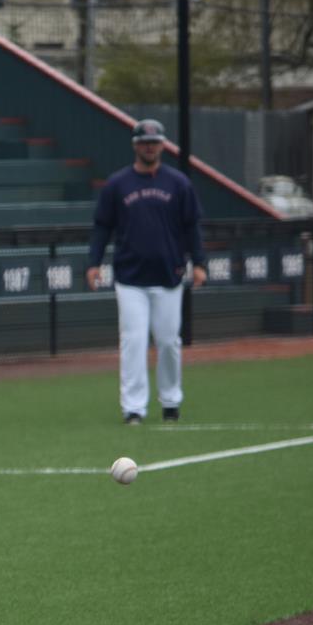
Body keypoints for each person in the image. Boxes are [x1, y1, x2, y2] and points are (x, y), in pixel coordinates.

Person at [86, 118, 208, 424]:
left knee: (168, 341)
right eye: (144, 143)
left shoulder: (178, 183)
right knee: (134, 341)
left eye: (154, 143)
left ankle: (170, 401)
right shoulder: (118, 184)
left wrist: (201, 262)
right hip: (130, 277)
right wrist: (93, 262)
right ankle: (134, 408)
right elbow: (102, 226)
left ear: (163, 146)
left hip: (169, 274)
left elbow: (192, 226)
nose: (149, 147)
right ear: (135, 146)